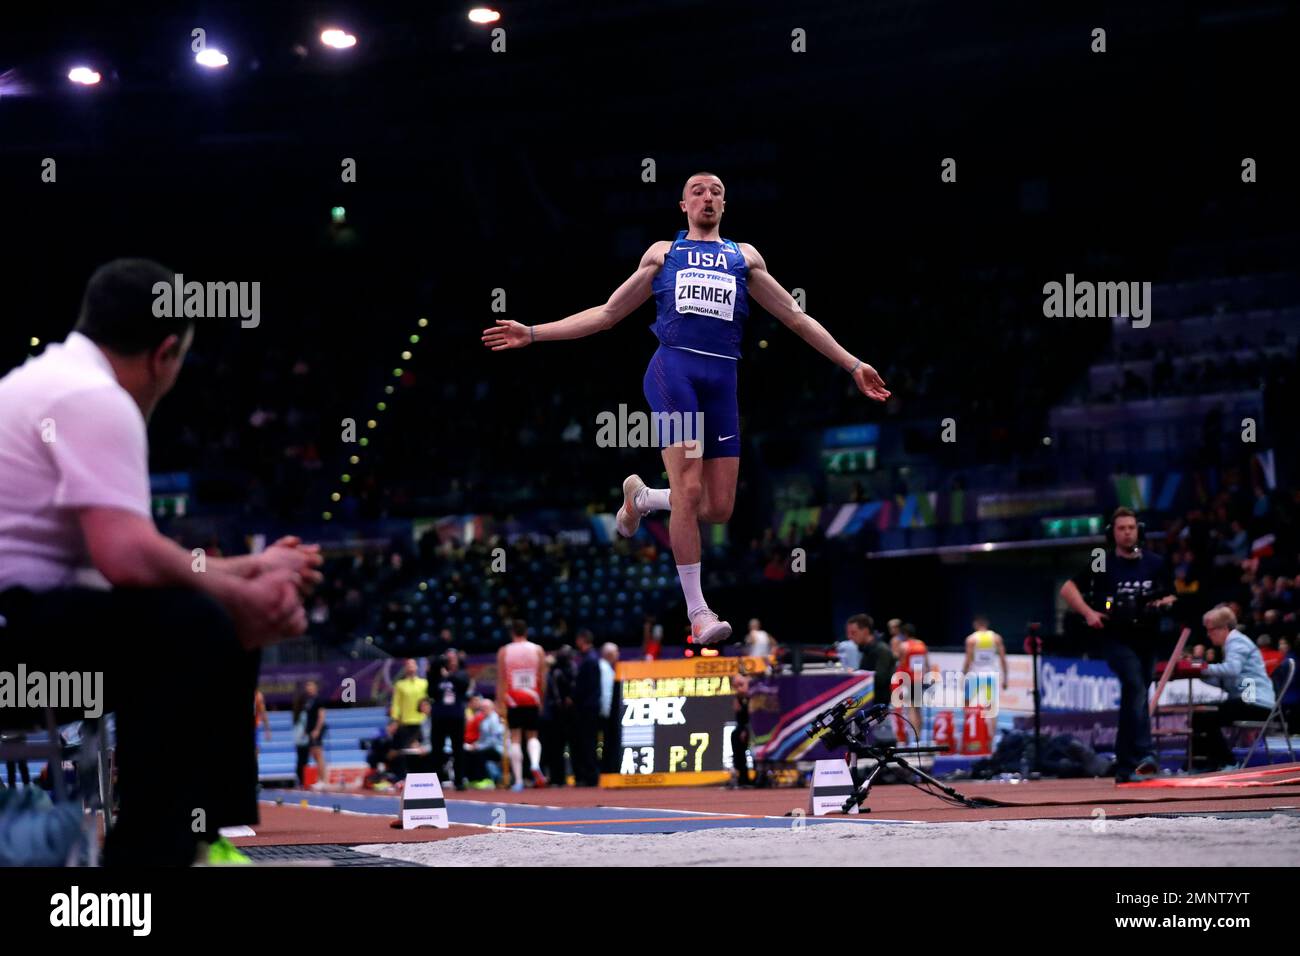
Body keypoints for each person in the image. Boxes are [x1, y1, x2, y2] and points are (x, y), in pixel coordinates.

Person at [0, 259, 320, 865]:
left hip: (22, 625)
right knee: (197, 624)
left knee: (200, 613)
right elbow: (127, 560)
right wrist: (242, 595)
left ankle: (198, 840)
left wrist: (244, 574)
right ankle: (154, 864)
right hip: (16, 641)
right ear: (166, 353)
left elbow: (107, 564)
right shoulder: (97, 398)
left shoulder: (50, 381)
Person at [483, 172, 890, 646]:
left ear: (725, 205)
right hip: (673, 372)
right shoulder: (663, 253)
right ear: (683, 205)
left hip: (723, 381)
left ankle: (644, 499)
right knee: (691, 487)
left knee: (717, 508)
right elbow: (608, 314)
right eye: (698, 190)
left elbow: (796, 319)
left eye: (717, 191)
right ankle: (698, 613)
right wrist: (532, 332)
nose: (708, 196)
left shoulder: (745, 257)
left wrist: (853, 363)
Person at [1059, 507, 1176, 783]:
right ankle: (1145, 755)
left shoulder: (1155, 562)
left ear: (1140, 530)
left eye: (1131, 527)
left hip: (1147, 638)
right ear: (1112, 532)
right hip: (1114, 639)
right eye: (1121, 528)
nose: (1127, 532)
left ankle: (1124, 766)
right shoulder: (1102, 560)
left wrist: (1161, 604)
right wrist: (1088, 613)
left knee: (1134, 697)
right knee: (1135, 686)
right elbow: (1068, 588)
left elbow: (1173, 596)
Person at [1189, 606, 1276, 771]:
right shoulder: (1232, 643)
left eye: (1211, 630)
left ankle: (1224, 762)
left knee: (1205, 716)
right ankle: (1206, 763)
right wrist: (1200, 673)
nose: (1208, 634)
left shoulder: (1237, 641)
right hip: (1248, 699)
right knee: (1202, 714)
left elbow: (1231, 669)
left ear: (1224, 628)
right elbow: (1228, 680)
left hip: (1256, 702)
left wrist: (1201, 668)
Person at [497, 618, 548, 790]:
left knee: (516, 738)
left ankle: (518, 780)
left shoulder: (504, 651)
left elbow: (501, 679)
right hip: (532, 697)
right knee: (533, 735)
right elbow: (542, 677)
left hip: (513, 699)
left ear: (512, 632)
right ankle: (534, 763)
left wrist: (500, 703)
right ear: (526, 632)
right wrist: (541, 698)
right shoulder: (538, 650)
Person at [429, 650, 470, 790]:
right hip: (439, 716)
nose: (451, 661)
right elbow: (430, 691)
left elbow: (463, 686)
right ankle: (437, 779)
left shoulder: (462, 674)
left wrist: (450, 676)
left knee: (458, 749)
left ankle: (459, 780)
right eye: (449, 659)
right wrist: (438, 669)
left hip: (456, 716)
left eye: (454, 659)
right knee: (437, 749)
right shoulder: (437, 676)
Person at [963, 615, 1008, 741]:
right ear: (986, 624)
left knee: (968, 706)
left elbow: (968, 660)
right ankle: (990, 740)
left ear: (976, 624)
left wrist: (963, 674)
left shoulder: (971, 639)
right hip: (990, 676)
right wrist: (1005, 678)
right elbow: (1003, 659)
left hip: (975, 675)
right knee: (991, 708)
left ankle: (971, 735)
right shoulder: (996, 638)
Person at [573, 630, 603, 786]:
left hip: (588, 708)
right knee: (587, 742)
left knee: (588, 742)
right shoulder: (589, 658)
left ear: (583, 639)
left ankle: (591, 776)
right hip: (588, 706)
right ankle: (589, 775)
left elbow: (588, 687)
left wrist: (576, 698)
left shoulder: (590, 660)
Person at [387, 657, 429, 754]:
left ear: (417, 667)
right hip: (405, 722)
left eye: (413, 664)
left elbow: (427, 702)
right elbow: (396, 704)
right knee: (404, 751)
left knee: (422, 751)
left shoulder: (424, 683)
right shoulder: (400, 685)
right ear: (405, 668)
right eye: (408, 664)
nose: (411, 666)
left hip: (421, 722)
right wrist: (394, 720)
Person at [464, 694, 504, 788]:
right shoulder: (484, 720)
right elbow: (482, 739)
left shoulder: (494, 719)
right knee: (469, 753)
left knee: (479, 753)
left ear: (492, 707)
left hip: (498, 748)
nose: (483, 709)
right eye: (482, 707)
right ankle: (473, 779)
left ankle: (485, 779)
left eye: (485, 707)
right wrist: (475, 745)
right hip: (487, 747)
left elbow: (493, 740)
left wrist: (478, 747)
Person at [294, 680, 328, 789]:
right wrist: (305, 731)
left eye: (310, 686)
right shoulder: (309, 701)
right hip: (309, 731)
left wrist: (317, 730)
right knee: (314, 755)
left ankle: (323, 780)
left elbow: (321, 716)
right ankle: (319, 779)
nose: (308, 688)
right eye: (307, 686)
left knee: (319, 755)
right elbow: (308, 718)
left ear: (315, 687)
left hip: (315, 731)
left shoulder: (318, 700)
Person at [599, 642, 622, 775]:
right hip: (605, 714)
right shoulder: (604, 669)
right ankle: (606, 769)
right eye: (616, 652)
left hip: (605, 712)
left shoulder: (607, 668)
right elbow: (606, 693)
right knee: (606, 744)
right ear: (609, 654)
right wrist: (608, 713)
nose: (618, 655)